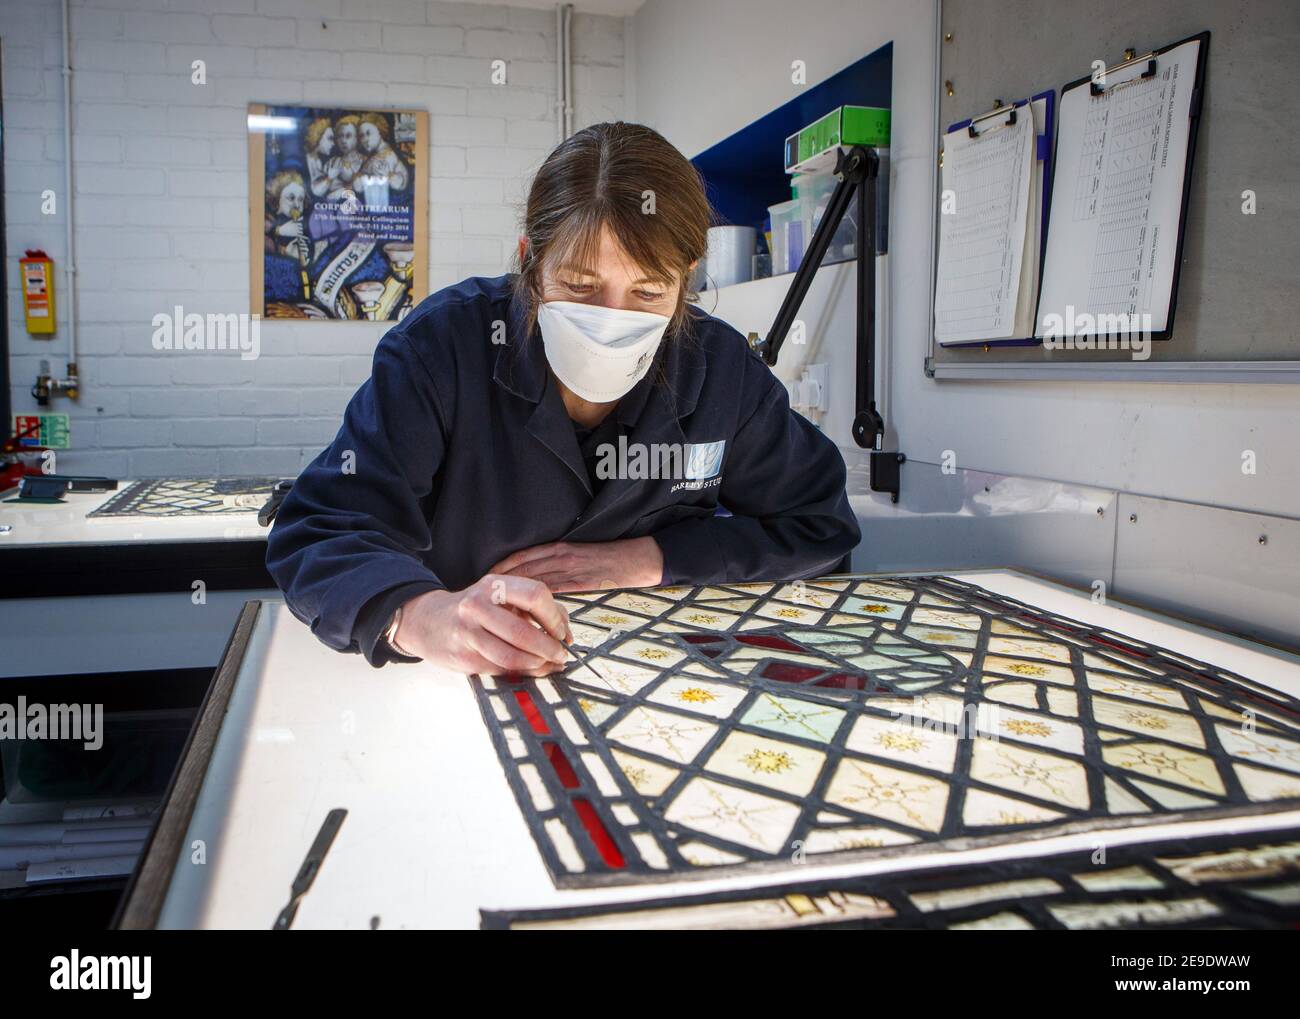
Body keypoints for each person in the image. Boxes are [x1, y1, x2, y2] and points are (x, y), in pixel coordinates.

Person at [266, 121, 861, 678]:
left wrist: (654, 557)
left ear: (687, 281)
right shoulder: (443, 347)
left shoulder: (720, 370)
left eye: (649, 291)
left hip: (653, 672)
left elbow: (818, 526)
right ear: (530, 262)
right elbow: (320, 530)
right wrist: (421, 616)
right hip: (457, 680)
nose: (611, 319)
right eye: (579, 286)